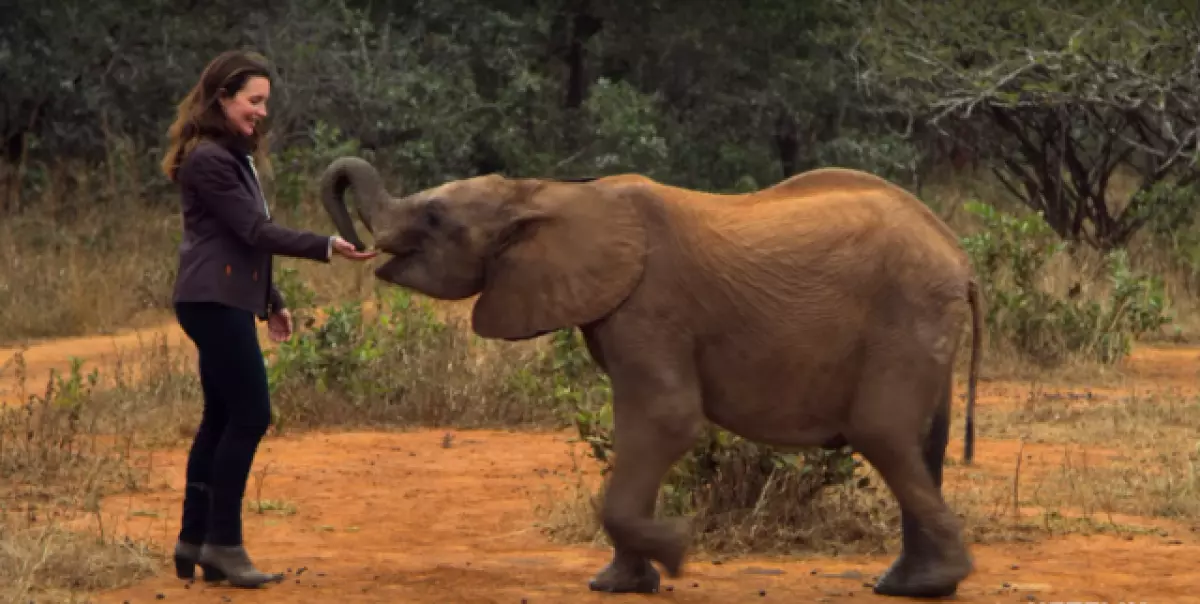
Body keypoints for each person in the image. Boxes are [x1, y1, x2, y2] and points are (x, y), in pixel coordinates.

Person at [159, 49, 377, 588]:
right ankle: (224, 545)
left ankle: (196, 538)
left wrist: (271, 298)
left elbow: (238, 236)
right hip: (213, 300)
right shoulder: (211, 158)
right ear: (222, 98)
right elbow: (254, 231)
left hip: (219, 296)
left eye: (264, 103)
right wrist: (326, 244)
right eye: (252, 101)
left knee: (221, 417)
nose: (261, 112)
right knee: (251, 415)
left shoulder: (227, 154)